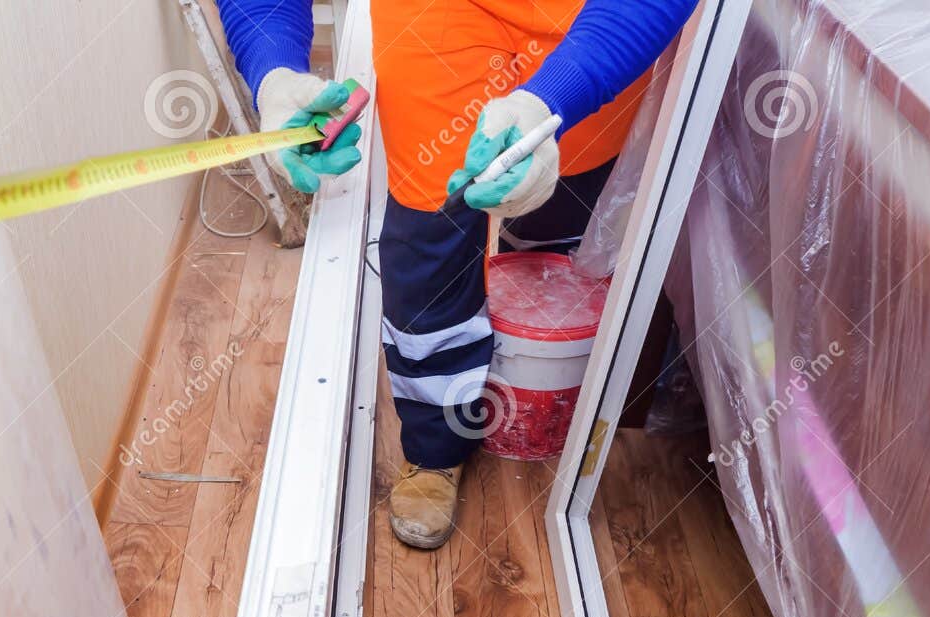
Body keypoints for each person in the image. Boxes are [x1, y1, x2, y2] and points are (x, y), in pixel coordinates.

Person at [214, 0, 697, 548]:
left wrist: (555, 97)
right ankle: (436, 444)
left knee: (557, 197)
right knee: (430, 225)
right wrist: (273, 71)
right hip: (435, 15)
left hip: (594, 17)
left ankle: (548, 387)